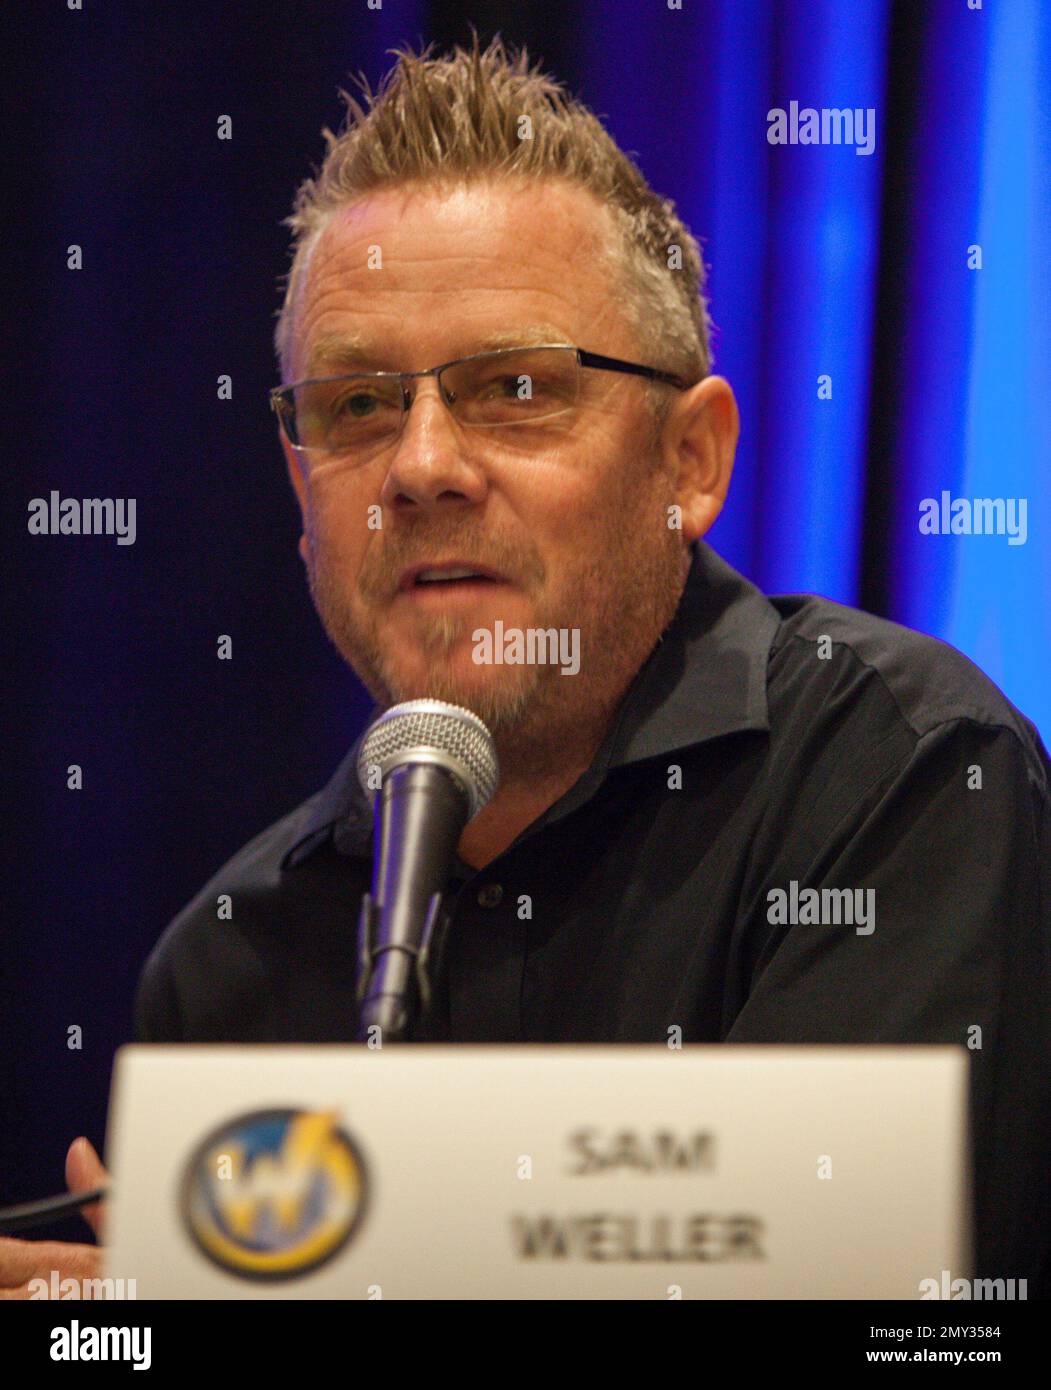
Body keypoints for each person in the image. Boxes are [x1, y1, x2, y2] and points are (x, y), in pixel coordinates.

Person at [4, 36, 1048, 1299]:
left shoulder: (905, 780)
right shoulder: (233, 959)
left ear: (690, 462)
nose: (420, 467)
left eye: (512, 387)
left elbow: (843, 1292)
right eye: (356, 406)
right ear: (301, 491)